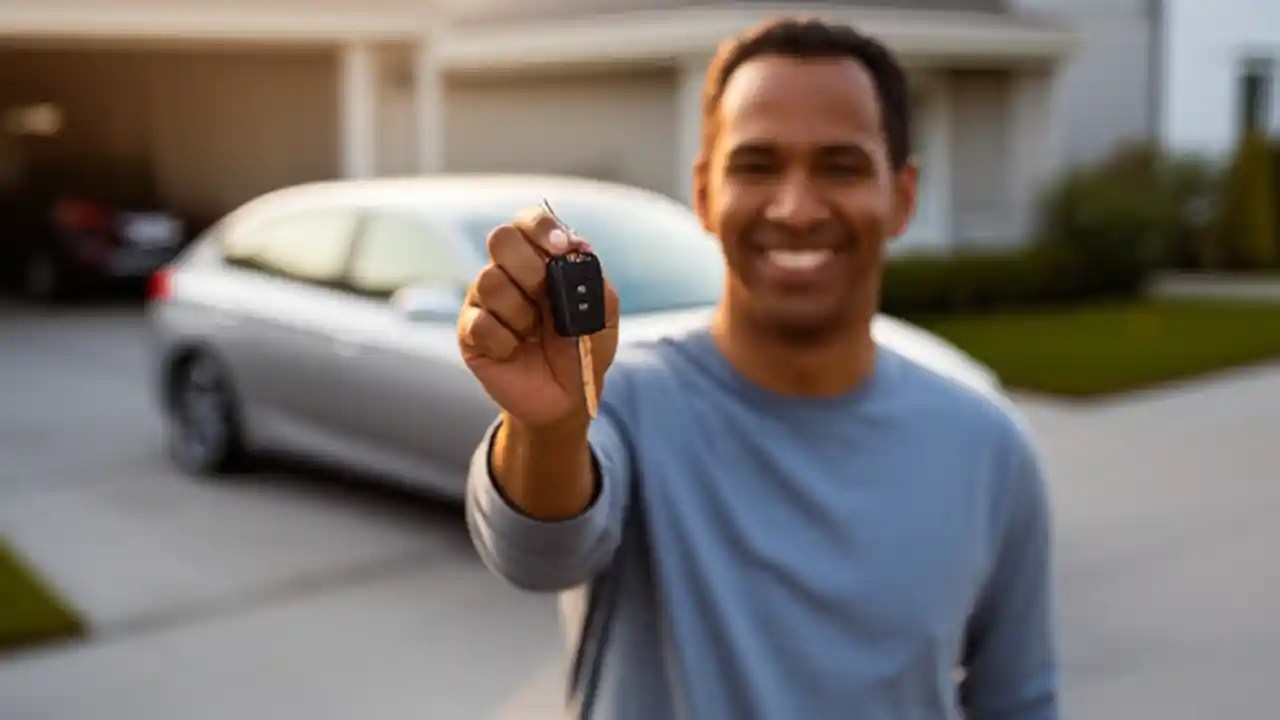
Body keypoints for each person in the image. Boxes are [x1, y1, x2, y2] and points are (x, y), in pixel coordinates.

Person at [456, 16, 1059, 720]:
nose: (796, 208)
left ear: (902, 197)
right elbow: (538, 556)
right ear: (706, 193)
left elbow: (1019, 700)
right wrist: (547, 428)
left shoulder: (989, 448)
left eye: (840, 166)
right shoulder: (621, 401)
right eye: (757, 164)